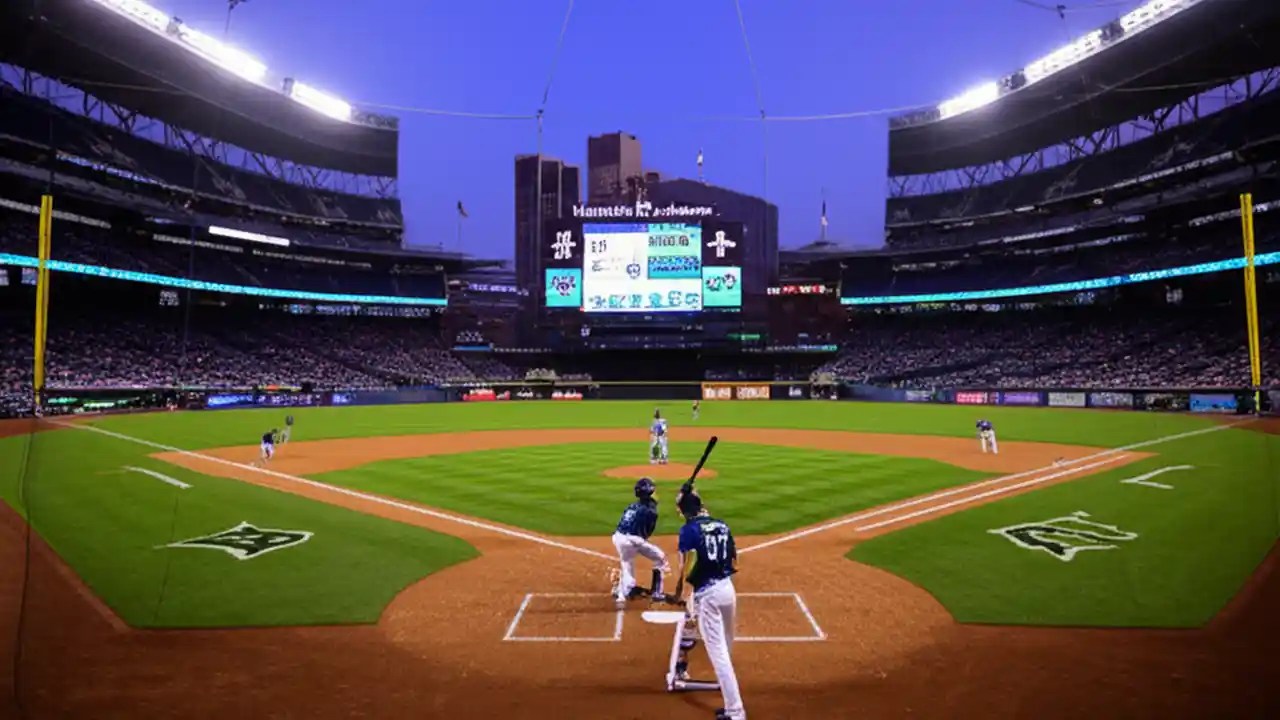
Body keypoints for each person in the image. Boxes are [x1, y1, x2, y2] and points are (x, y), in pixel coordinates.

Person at [673, 483, 744, 720]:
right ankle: (727, 688)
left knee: (719, 654)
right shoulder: (722, 525)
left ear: (683, 512)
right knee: (726, 647)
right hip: (728, 590)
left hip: (709, 596)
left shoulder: (688, 530)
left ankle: (736, 712)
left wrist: (679, 593)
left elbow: (685, 567)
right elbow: (734, 559)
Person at [611, 477, 668, 609]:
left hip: (618, 537)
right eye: (653, 491)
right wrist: (640, 544)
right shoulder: (651, 511)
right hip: (631, 541)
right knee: (660, 557)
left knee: (627, 564)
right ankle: (654, 592)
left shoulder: (632, 506)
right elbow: (646, 534)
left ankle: (621, 585)